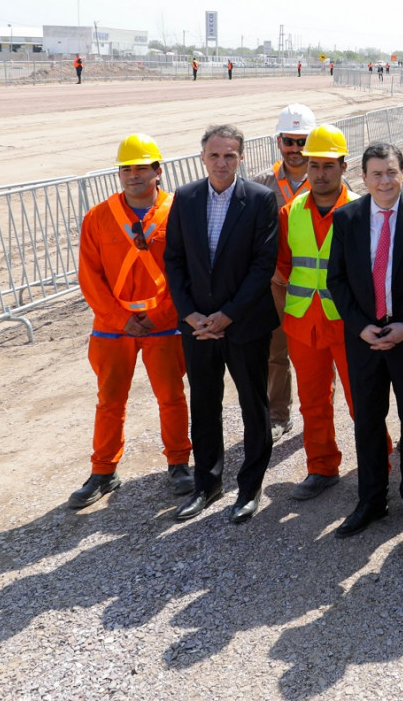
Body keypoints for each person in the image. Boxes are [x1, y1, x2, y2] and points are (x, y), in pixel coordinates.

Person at [162, 124, 282, 525]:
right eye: (214, 155)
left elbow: (262, 265)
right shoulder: (186, 197)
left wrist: (227, 314)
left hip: (244, 324)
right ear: (202, 157)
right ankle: (207, 484)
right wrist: (190, 313)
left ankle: (249, 489)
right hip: (197, 327)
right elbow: (174, 260)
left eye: (230, 155)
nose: (221, 162)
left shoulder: (261, 200)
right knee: (205, 404)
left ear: (241, 158)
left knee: (253, 405)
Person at [69, 133, 193, 509]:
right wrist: (121, 318)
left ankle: (178, 463)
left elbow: (187, 273)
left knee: (171, 397)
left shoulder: (178, 212)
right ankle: (103, 470)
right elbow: (90, 276)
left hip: (164, 324)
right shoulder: (99, 217)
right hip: (112, 327)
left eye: (141, 168)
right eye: (126, 169)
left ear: (158, 171)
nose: (133, 175)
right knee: (109, 400)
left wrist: (159, 316)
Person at [327, 143, 403, 538]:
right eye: (376, 174)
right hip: (365, 338)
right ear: (364, 178)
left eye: (391, 172)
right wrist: (359, 326)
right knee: (368, 421)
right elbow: (336, 280)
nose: (385, 181)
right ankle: (370, 500)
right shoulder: (348, 218)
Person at [270, 125, 360, 501]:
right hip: (303, 324)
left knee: (362, 401)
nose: (319, 173)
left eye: (328, 165)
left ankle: (378, 467)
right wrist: (286, 319)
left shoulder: (360, 212)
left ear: (342, 165)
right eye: (313, 165)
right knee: (312, 401)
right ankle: (321, 466)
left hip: (347, 325)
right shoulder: (290, 212)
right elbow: (280, 272)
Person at [253, 103, 318, 438]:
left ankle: (319, 417)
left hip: (316, 287)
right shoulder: (261, 185)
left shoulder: (327, 181)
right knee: (275, 353)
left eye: (302, 141)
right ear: (278, 142)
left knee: (318, 355)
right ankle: (279, 415)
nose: (296, 149)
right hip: (274, 285)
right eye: (289, 141)